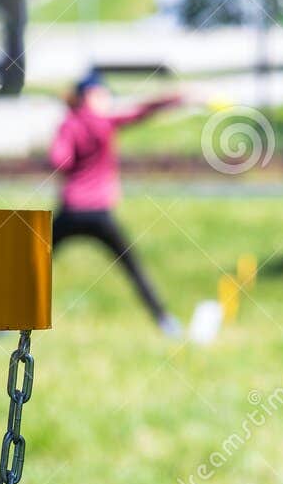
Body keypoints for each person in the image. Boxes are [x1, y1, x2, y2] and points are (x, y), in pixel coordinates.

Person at [49, 72, 185, 336]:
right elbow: (143, 110)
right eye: (103, 94)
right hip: (100, 213)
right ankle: (165, 322)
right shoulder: (106, 121)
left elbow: (59, 161)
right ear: (91, 96)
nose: (107, 99)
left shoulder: (69, 123)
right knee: (133, 267)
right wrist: (178, 97)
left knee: (36, 266)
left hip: (71, 210)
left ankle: (8, 324)